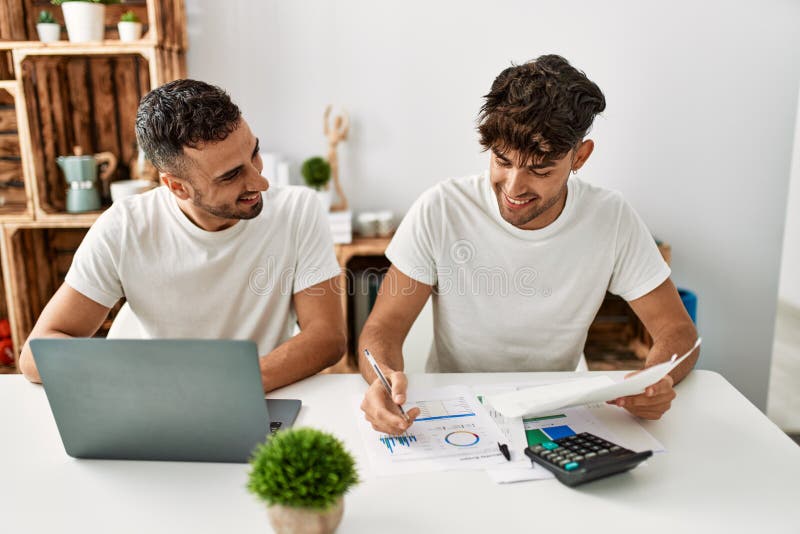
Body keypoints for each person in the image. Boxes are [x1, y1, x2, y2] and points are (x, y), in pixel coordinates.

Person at [359, 55, 699, 435]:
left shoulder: (611, 218)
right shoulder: (441, 208)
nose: (514, 187)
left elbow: (677, 331)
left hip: (559, 411)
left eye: (539, 170)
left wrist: (653, 380)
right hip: (455, 412)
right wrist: (382, 379)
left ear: (580, 157)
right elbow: (383, 328)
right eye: (502, 160)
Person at [19, 79, 346, 390]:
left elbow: (327, 337)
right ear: (177, 186)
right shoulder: (124, 228)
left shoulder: (297, 210)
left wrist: (236, 385)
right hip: (151, 399)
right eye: (231, 175)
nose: (261, 182)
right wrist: (146, 382)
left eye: (254, 153)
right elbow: (35, 355)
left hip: (257, 394)